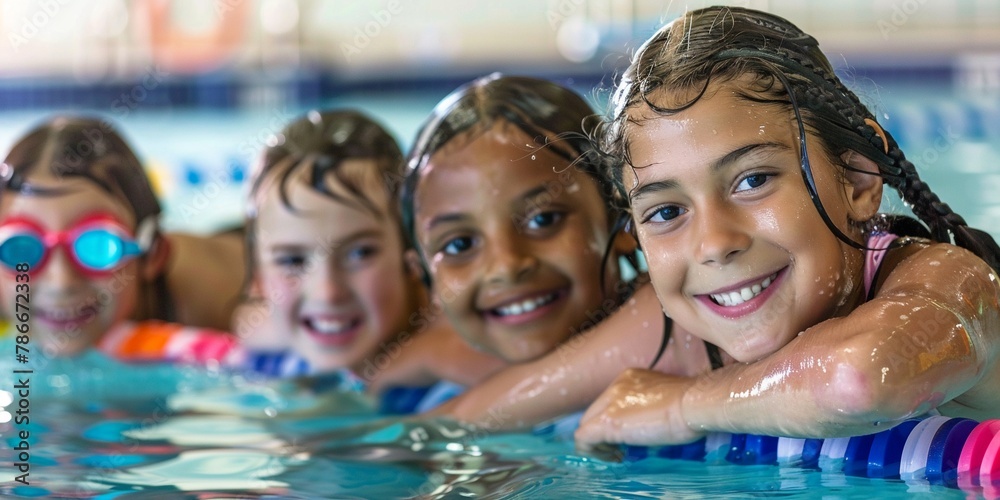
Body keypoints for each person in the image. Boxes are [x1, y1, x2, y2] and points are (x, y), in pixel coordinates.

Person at [573, 6, 1000, 448]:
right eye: (665, 212)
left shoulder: (953, 283)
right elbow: (507, 404)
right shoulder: (683, 325)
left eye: (753, 181)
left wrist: (682, 404)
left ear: (857, 181)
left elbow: (859, 379)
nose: (715, 244)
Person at [403, 74, 666, 425]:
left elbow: (659, 321)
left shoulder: (680, 319)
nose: (506, 266)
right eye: (460, 244)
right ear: (424, 276)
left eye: (543, 220)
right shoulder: (436, 394)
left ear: (622, 219)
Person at [233, 108, 503, 399]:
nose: (327, 293)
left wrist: (421, 359)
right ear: (258, 278)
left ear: (413, 256)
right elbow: (249, 320)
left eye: (360, 253)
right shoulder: (270, 335)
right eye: (292, 261)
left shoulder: (461, 344)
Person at [0, 116, 244, 363]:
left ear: (153, 255)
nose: (61, 282)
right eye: (21, 249)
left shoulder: (214, 302)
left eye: (98, 246)